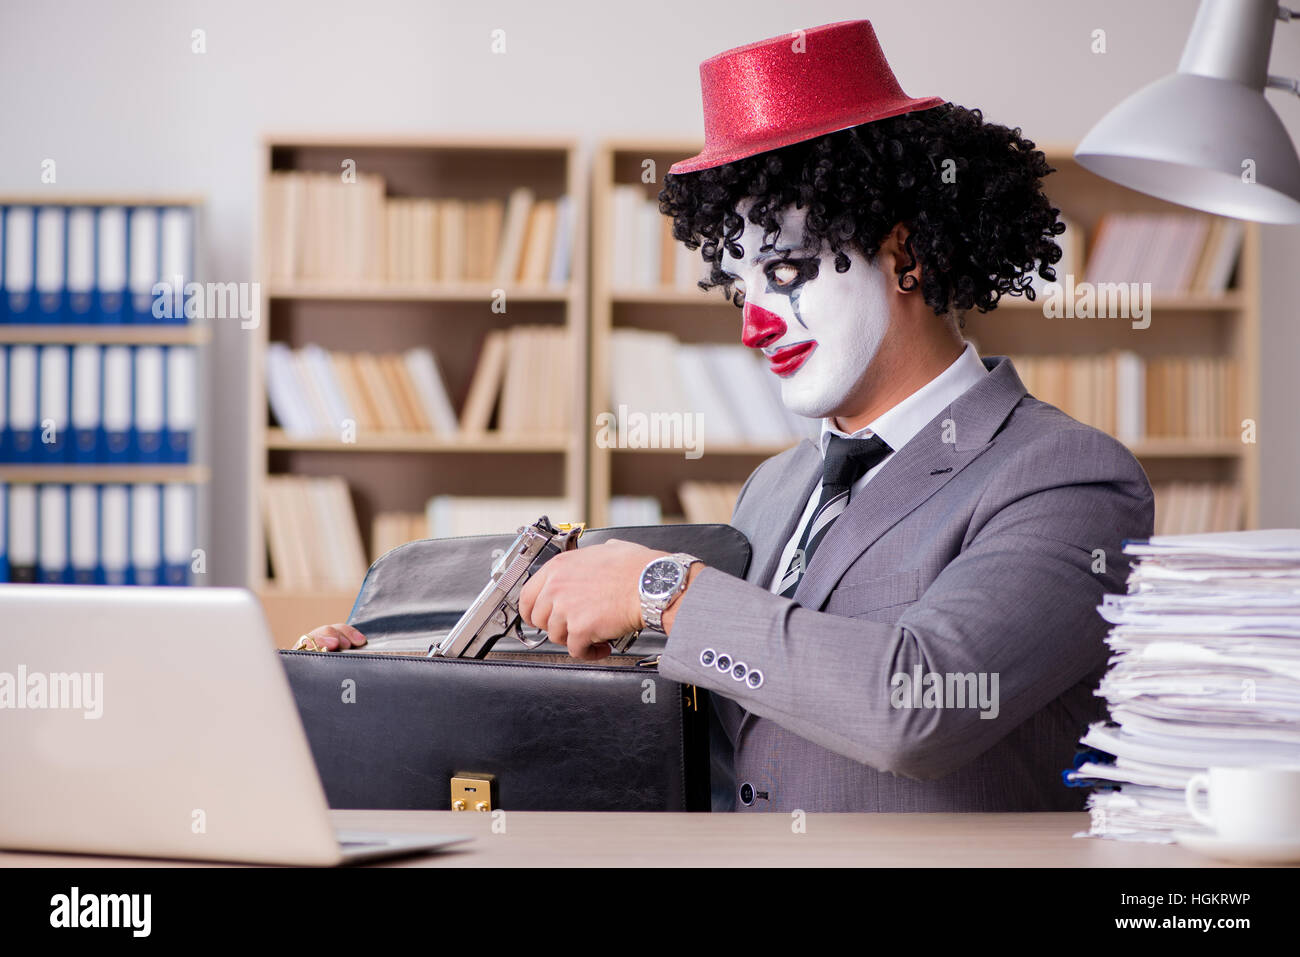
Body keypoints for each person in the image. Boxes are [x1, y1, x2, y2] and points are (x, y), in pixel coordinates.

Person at [304, 19, 1154, 813]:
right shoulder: (776, 488)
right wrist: (395, 681)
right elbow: (747, 721)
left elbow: (916, 704)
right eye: (739, 288)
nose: (752, 325)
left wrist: (659, 589)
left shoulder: (1068, 477)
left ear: (908, 253)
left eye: (783, 273)